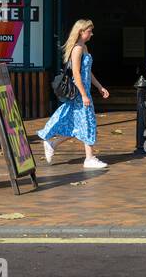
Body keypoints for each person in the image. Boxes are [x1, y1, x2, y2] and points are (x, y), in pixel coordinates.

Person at [38, 18, 110, 169]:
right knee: (88, 122)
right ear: (81, 32)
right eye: (89, 31)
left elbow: (87, 72)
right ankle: (89, 158)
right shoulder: (77, 48)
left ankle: (52, 143)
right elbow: (76, 74)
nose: (92, 34)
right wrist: (84, 95)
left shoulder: (84, 47)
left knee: (79, 124)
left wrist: (99, 87)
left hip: (84, 91)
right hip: (79, 92)